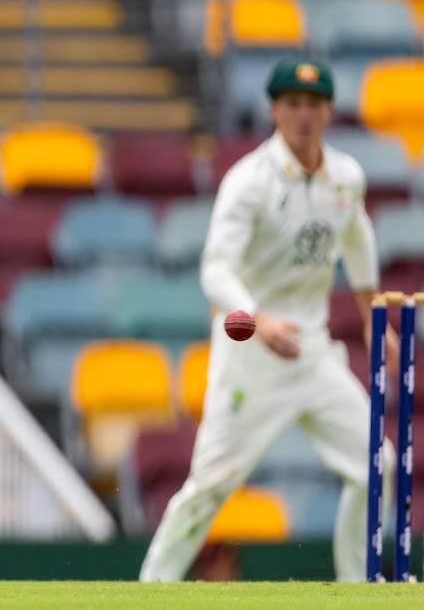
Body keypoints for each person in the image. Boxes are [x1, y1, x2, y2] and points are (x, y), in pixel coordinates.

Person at [139, 57, 393, 583]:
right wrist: (258, 321)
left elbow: (357, 236)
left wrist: (373, 314)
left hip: (313, 352)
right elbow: (215, 269)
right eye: (293, 104)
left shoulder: (345, 177)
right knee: (209, 486)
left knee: (378, 466)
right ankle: (151, 589)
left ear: (328, 111)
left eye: (314, 105)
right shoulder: (248, 182)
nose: (304, 115)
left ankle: (358, 585)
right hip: (250, 355)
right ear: (275, 110)